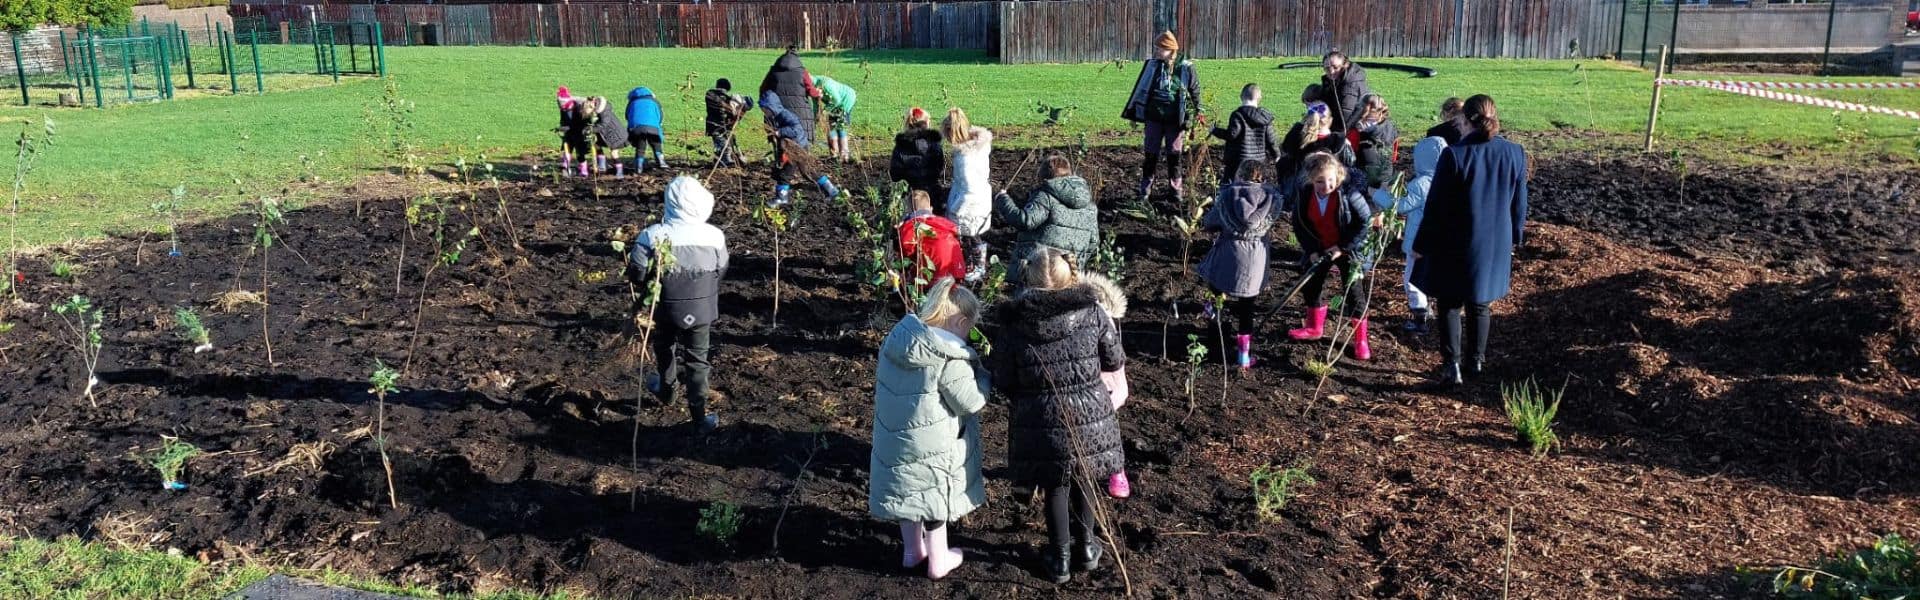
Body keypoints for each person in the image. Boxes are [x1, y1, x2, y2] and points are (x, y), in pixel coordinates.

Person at [992, 247, 1126, 584]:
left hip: (1041, 416)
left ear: (1028, 279)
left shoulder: (1014, 323)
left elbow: (1004, 378)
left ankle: (1060, 557)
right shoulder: (1092, 312)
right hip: (1090, 413)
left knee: (1055, 485)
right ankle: (1088, 547)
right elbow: (1113, 359)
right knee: (1085, 480)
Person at [868, 277, 989, 580]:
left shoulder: (899, 341)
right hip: (933, 446)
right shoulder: (949, 356)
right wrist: (985, 377)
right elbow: (970, 401)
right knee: (933, 496)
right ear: (960, 321)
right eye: (969, 327)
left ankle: (912, 552)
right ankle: (938, 559)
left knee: (907, 493)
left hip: (894, 437)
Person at [1412, 94, 1529, 385]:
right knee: (1480, 303)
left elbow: (1435, 208)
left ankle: (1451, 366)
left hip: (1455, 241)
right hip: (1495, 242)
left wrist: (1421, 244)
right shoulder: (1515, 153)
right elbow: (1519, 204)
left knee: (1450, 303)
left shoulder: (1454, 155)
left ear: (1465, 121)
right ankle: (1476, 361)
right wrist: (1514, 237)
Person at [629, 175, 729, 433]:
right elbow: (722, 270)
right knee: (698, 360)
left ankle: (667, 390)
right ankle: (699, 418)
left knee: (664, 347)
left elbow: (637, 273)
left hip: (664, 308)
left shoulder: (651, 236)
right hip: (702, 311)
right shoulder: (715, 236)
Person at [1285, 153, 1375, 362]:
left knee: (1353, 291)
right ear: (1310, 180)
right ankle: (1314, 326)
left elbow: (1364, 222)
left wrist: (1342, 247)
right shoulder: (1305, 194)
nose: (1326, 186)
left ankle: (1360, 339)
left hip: (1349, 247)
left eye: (1331, 181)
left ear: (1338, 177)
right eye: (1320, 181)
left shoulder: (1349, 194)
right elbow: (1300, 224)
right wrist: (1312, 249)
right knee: (1312, 283)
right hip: (1320, 246)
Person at [1197, 160, 1282, 370]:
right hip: (1256, 259)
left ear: (1239, 176)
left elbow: (1210, 222)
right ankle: (1244, 356)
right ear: (1262, 178)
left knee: (1216, 294)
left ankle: (1214, 340)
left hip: (1228, 254)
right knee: (1247, 309)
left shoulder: (1228, 196)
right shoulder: (1271, 199)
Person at [1122, 31, 1200, 201]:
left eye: (1160, 49)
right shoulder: (1152, 65)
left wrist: (1197, 114)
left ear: (1170, 50)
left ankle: (1175, 191)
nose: (1157, 51)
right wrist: (1134, 113)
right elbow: (1140, 89)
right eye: (1156, 48)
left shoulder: (1186, 68)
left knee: (1174, 155)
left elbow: (1195, 92)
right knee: (1150, 155)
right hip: (1154, 118)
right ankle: (1145, 191)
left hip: (1175, 120)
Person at [994, 155, 1096, 282]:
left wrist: (1003, 200)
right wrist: (1077, 264)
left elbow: (1026, 221)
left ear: (1042, 176)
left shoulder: (1045, 196)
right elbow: (1094, 242)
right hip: (1068, 274)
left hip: (1039, 272)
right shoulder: (1090, 206)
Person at [1393, 135, 1446, 334]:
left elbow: (1400, 206)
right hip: (1442, 240)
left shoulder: (1421, 183)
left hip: (1418, 240)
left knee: (1413, 278)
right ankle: (1435, 310)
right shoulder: (1449, 179)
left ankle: (1420, 318)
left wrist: (1378, 194)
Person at [761, 90, 840, 206]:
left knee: (785, 174)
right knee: (807, 171)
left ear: (772, 107)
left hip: (797, 148)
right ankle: (831, 190)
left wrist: (780, 132)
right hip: (789, 148)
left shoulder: (785, 115)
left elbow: (796, 130)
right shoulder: (771, 117)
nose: (764, 111)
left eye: (766, 109)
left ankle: (782, 198)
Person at [943, 108, 994, 283]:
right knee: (972, 235)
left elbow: (969, 188)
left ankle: (978, 267)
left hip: (969, 206)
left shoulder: (965, 159)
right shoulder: (978, 147)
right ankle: (974, 265)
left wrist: (955, 208)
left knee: (971, 236)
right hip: (980, 199)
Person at [899, 190, 966, 300]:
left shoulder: (912, 225)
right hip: (956, 269)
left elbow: (906, 249)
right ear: (930, 208)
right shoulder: (944, 223)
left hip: (934, 275)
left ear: (910, 211)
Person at [1209, 83, 1280, 182]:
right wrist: (1276, 154)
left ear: (1241, 96)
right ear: (1259, 98)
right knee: (1256, 184)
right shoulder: (1264, 118)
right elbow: (1271, 140)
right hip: (1258, 161)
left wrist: (1215, 130)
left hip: (1238, 161)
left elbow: (1232, 134)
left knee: (1232, 186)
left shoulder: (1238, 115)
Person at [1275, 102, 1355, 188]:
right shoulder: (1338, 141)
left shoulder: (1295, 136)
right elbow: (1350, 164)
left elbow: (1284, 154)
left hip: (1297, 187)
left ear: (1307, 118)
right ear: (1330, 120)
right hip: (1328, 187)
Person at [759, 46, 819, 139]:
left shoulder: (773, 71)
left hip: (778, 114)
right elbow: (812, 92)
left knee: (780, 143)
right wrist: (818, 93)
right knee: (800, 144)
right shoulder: (802, 72)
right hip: (801, 115)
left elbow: (763, 89)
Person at [563, 96, 629, 177]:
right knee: (596, 145)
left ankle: (619, 173)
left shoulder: (604, 112)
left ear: (591, 107)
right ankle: (602, 167)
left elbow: (603, 125)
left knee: (614, 153)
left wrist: (591, 129)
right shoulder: (596, 109)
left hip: (616, 135)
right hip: (605, 134)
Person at [890, 107, 946, 198]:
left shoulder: (901, 147)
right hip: (932, 194)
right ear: (926, 124)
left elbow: (895, 175)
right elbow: (939, 168)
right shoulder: (934, 145)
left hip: (910, 195)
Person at [1317, 51, 1372, 135]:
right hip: (1340, 123)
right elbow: (1325, 101)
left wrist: (1329, 134)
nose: (1331, 71)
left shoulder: (1350, 85)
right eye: (1327, 68)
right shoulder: (1333, 80)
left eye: (1335, 67)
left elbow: (1345, 119)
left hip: (1356, 129)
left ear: (1344, 65)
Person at [704, 78, 754, 168]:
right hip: (715, 127)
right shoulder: (715, 96)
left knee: (730, 141)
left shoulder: (727, 100)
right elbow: (719, 105)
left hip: (722, 126)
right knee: (723, 145)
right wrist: (729, 109)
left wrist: (732, 124)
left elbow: (734, 119)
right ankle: (726, 161)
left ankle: (724, 159)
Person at [1352, 94, 1398, 189]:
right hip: (1386, 177)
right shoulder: (1392, 128)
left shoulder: (1357, 133)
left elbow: (1351, 157)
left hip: (1364, 179)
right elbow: (1394, 155)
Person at [813, 75, 859, 161]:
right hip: (833, 103)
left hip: (846, 99)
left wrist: (824, 112)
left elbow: (837, 100)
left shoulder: (825, 84)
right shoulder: (812, 89)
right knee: (831, 126)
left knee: (840, 126)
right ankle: (834, 154)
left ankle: (844, 155)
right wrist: (815, 119)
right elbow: (816, 106)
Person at [625, 86, 668, 175]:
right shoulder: (654, 101)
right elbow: (660, 115)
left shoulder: (632, 102)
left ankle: (639, 167)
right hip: (653, 127)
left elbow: (627, 116)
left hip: (637, 128)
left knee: (640, 147)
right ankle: (661, 162)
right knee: (656, 144)